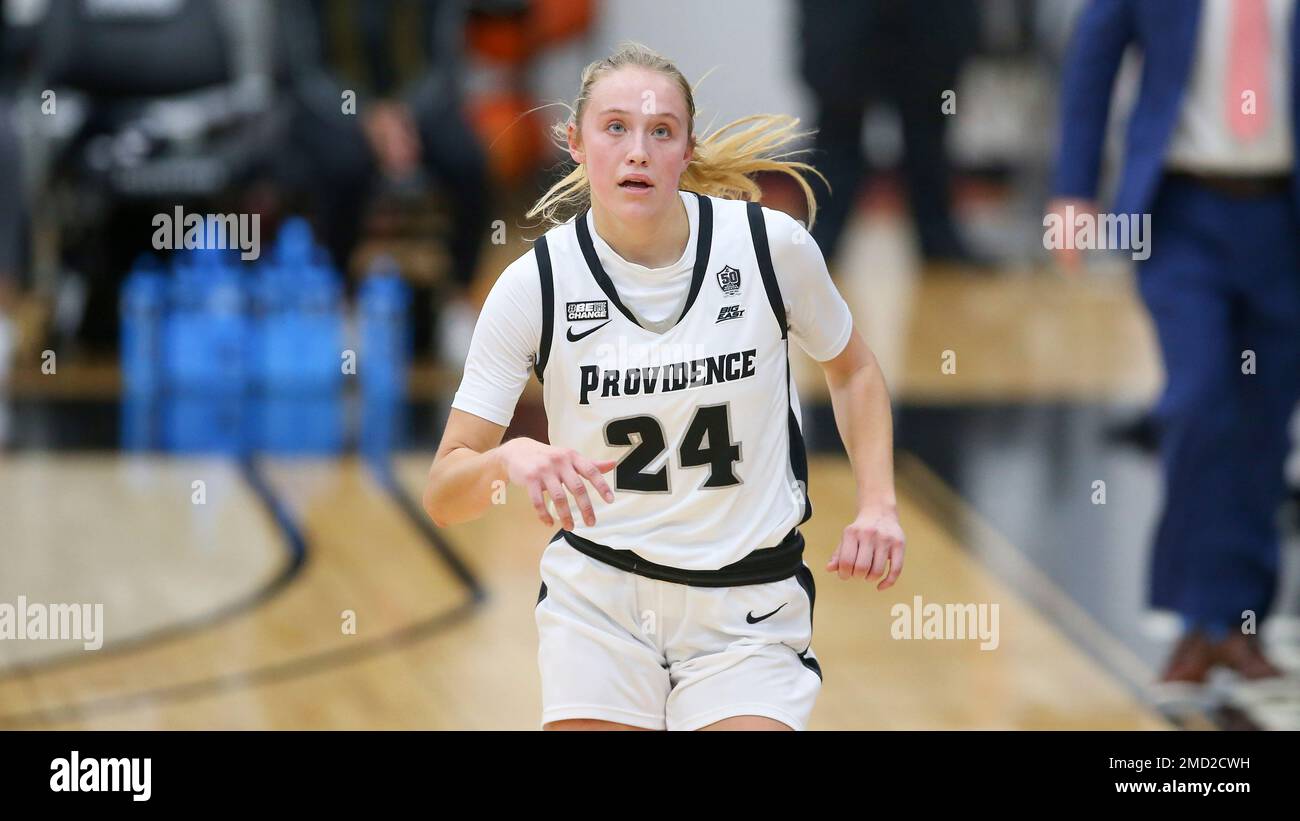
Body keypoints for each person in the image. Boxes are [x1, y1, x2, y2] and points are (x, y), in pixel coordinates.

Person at [423, 42, 904, 731]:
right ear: (576, 145)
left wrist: (878, 504)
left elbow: (853, 367)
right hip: (600, 604)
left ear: (687, 148)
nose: (638, 151)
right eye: (614, 127)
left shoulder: (770, 248)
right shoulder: (535, 285)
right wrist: (506, 459)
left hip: (747, 606)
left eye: (660, 131)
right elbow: (444, 491)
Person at [1049, 0, 1299, 683]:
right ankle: (1196, 616)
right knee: (1197, 398)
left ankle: (1240, 620)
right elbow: (1095, 52)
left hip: (1284, 219)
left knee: (1265, 421)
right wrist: (1073, 189)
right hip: (1181, 214)